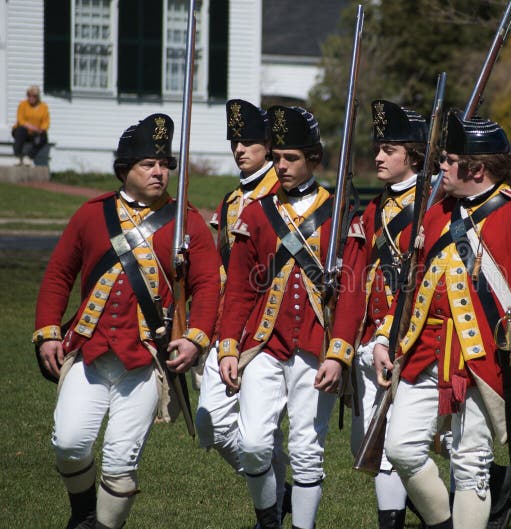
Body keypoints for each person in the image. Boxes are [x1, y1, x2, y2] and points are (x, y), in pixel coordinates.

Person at [371, 111, 511, 529]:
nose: (441, 166)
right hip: (422, 352)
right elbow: (411, 284)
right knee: (402, 450)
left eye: (449, 159)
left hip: (485, 360)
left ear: (476, 168)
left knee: (470, 464)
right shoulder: (436, 212)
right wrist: (385, 338)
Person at [32, 113, 221, 529]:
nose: (160, 171)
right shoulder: (91, 214)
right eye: (148, 164)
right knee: (68, 443)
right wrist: (48, 332)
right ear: (125, 170)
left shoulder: (185, 220)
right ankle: (82, 514)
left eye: (165, 164)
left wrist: (194, 338)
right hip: (89, 352)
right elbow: (59, 274)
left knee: (120, 458)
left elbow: (208, 284)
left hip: (146, 359)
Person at [217, 105, 339, 529]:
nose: (281, 166)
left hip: (314, 345)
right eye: (277, 158)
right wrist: (229, 345)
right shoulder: (255, 212)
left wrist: (338, 353)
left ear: (314, 160)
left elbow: (351, 300)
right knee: (252, 443)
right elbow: (238, 289)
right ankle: (268, 519)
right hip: (263, 344)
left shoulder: (338, 213)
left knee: (306, 448)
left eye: (291, 159)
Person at [325, 99, 426, 529]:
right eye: (378, 148)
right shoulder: (369, 212)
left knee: (397, 449)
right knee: (369, 446)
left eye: (389, 149)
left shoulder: (436, 206)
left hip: (416, 341)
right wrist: (340, 350)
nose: (378, 156)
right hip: (372, 344)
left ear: (413, 156)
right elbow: (351, 287)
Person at [195, 98, 291, 527]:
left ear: (268, 145)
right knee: (210, 424)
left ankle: (273, 505)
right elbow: (222, 267)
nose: (240, 149)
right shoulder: (233, 199)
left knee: (260, 433)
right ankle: (278, 490)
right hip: (231, 325)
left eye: (249, 141)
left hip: (274, 327)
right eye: (235, 141)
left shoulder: (283, 192)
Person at [12, 85, 50, 166]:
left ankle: (28, 157)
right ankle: (17, 156)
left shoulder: (44, 107)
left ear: (38, 97)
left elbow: (46, 122)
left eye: (34, 96)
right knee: (21, 130)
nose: (31, 98)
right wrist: (33, 128)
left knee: (44, 137)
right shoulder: (23, 104)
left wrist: (41, 130)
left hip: (35, 133)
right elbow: (20, 120)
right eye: (29, 95)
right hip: (22, 131)